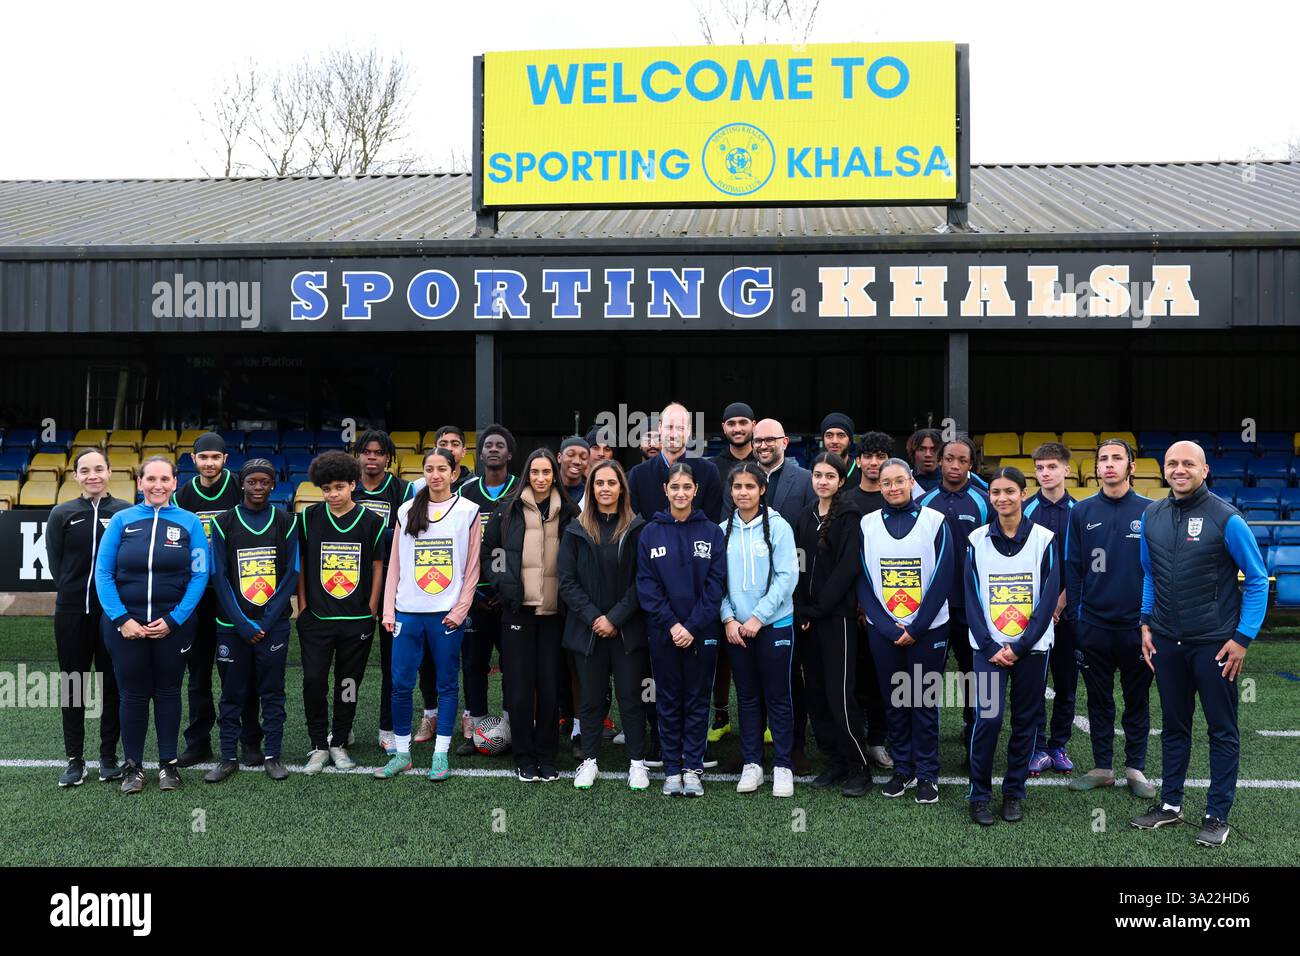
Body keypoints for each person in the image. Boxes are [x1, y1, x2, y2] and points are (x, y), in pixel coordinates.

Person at [1130, 441, 1268, 847]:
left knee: (1222, 730)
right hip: (1167, 643)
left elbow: (1257, 580)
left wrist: (1242, 639)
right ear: (1164, 471)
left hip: (1214, 645)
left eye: (1188, 463)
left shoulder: (1227, 518)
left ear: (1204, 470)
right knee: (1174, 726)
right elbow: (1150, 575)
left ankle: (1216, 814)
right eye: (1172, 463)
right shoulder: (1151, 515)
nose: (1179, 469)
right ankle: (1170, 805)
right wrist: (1144, 622)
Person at [94, 457, 209, 794]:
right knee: (132, 694)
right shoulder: (121, 520)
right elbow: (103, 573)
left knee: (169, 691)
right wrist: (122, 619)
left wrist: (174, 619)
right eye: (151, 479)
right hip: (125, 626)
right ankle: (133, 767)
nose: (157, 485)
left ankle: (168, 765)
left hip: (174, 626)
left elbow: (200, 575)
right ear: (140, 481)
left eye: (165, 479)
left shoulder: (190, 522)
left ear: (175, 482)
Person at [377, 448, 482, 781]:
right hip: (408, 612)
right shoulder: (407, 509)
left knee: (447, 685)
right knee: (400, 685)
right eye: (429, 469)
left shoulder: (468, 510)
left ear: (454, 473)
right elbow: (395, 563)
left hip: (445, 615)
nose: (435, 475)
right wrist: (388, 608)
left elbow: (473, 567)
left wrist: (461, 608)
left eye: (442, 469)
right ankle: (403, 754)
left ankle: (440, 754)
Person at [964, 466, 1059, 826]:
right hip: (987, 649)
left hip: (1031, 650)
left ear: (1023, 493)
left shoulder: (1045, 539)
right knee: (987, 719)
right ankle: (979, 795)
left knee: (1025, 722)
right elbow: (971, 597)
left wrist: (1020, 646)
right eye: (995, 493)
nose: (1002, 498)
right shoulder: (975, 540)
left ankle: (1014, 792)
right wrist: (989, 645)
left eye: (1009, 491)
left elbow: (1048, 599)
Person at [1064, 439, 1156, 798]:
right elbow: (1073, 567)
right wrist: (1076, 619)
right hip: (1094, 626)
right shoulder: (1082, 511)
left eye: (1118, 458)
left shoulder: (1152, 510)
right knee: (1099, 700)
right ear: (1097, 468)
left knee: (1137, 700)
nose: (1110, 464)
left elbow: (1158, 570)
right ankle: (1102, 767)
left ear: (1131, 466)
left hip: (1138, 627)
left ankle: (1136, 769)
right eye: (1103, 459)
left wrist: (1152, 621)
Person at [858, 458, 953, 806]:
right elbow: (863, 581)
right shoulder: (867, 524)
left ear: (912, 481)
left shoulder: (935, 521)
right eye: (887, 483)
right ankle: (904, 768)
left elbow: (944, 576)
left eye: (900, 480)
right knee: (895, 701)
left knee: (923, 701)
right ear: (879, 486)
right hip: (884, 630)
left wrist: (916, 626)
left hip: (928, 629)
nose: (894, 487)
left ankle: (927, 773)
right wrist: (885, 625)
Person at [483, 448, 579, 782]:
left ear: (555, 475)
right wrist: (503, 586)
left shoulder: (570, 512)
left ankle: (547, 755)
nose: (541, 479)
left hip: (555, 613)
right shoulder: (507, 509)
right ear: (527, 474)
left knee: (550, 688)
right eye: (535, 472)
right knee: (520, 689)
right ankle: (524, 756)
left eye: (547, 472)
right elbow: (491, 553)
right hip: (518, 612)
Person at [636, 462, 727, 797]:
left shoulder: (712, 532)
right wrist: (673, 624)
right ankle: (672, 769)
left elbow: (715, 587)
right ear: (665, 490)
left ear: (695, 491)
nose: (680, 493)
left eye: (686, 487)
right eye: (674, 487)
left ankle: (693, 768)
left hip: (701, 632)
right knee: (669, 700)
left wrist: (691, 626)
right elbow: (646, 587)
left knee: (697, 699)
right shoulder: (650, 532)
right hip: (664, 633)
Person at [205, 459, 299, 783]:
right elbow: (220, 575)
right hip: (233, 627)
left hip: (273, 626)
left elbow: (291, 575)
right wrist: (243, 623)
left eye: (264, 482)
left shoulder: (286, 521)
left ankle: (272, 755)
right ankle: (228, 756)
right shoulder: (223, 522)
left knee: (272, 692)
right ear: (242, 484)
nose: (258, 487)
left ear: (273, 485)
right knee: (232, 693)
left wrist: (267, 620)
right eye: (252, 482)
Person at [558, 460, 650, 790]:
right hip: (588, 631)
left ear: (621, 488)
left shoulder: (638, 528)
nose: (606, 488)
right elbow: (566, 582)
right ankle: (589, 760)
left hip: (627, 631)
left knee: (631, 698)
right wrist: (595, 618)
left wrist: (615, 618)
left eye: (612, 482)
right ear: (591, 489)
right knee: (591, 699)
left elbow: (644, 581)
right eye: (599, 483)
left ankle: (637, 764)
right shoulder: (575, 529)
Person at [175, 432, 261, 768]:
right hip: (197, 595)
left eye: (215, 457)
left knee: (239, 671)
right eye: (203, 457)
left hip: (237, 593)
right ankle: (198, 742)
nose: (209, 463)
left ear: (226, 460)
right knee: (197, 673)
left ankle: (250, 738)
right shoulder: (182, 495)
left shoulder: (241, 488)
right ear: (193, 460)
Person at [296, 451, 385, 774]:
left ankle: (339, 742)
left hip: (355, 620)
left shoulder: (371, 522)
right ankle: (319, 744)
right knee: (314, 680)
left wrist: (371, 609)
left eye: (338, 487)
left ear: (352, 484)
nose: (332, 494)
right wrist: (303, 606)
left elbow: (377, 566)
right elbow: (302, 565)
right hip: (317, 619)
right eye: (326, 489)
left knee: (348, 682)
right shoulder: (307, 519)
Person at [45, 448, 130, 786]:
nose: (92, 475)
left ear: (110, 472)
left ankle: (108, 757)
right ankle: (74, 759)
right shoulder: (61, 514)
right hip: (71, 614)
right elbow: (57, 563)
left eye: (99, 469)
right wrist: (72, 592)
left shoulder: (124, 512)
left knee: (112, 685)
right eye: (85, 470)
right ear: (75, 475)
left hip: (112, 616)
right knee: (73, 686)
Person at [355, 429, 439, 752]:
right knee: (352, 662)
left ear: (388, 457)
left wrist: (372, 532)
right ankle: (342, 728)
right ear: (359, 455)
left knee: (393, 662)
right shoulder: (349, 486)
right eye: (367, 451)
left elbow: (407, 533)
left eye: (378, 452)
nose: (372, 457)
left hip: (395, 585)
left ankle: (387, 727)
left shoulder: (402, 490)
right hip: (355, 586)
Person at [720, 463, 800, 797]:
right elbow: (716, 582)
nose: (743, 493)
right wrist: (728, 618)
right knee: (748, 698)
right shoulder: (722, 529)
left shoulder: (779, 528)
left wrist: (758, 618)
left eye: (749, 487)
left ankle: (783, 766)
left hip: (773, 625)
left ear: (762, 489)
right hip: (737, 629)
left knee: (778, 697)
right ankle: (752, 764)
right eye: (737, 487)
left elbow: (787, 576)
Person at [795, 452, 872, 797]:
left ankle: (858, 765)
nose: (822, 481)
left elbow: (848, 568)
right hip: (809, 618)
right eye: (817, 475)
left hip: (835, 618)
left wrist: (820, 608)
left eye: (829, 476)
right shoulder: (804, 516)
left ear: (841, 481)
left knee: (841, 693)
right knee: (817, 693)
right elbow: (798, 564)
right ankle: (835, 760)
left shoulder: (849, 514)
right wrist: (802, 608)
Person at [750, 418, 817, 774]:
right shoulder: (743, 478)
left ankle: (794, 747)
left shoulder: (805, 480)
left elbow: (808, 541)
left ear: (785, 442)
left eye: (769, 439)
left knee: (791, 678)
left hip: (790, 599)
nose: (762, 445)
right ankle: (754, 749)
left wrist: (801, 599)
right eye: (757, 440)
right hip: (749, 599)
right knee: (754, 678)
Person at [918, 436, 990, 757]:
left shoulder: (984, 501)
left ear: (971, 465)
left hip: (969, 606)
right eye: (949, 459)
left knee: (971, 672)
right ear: (941, 461)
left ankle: (972, 729)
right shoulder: (924, 501)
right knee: (925, 675)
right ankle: (922, 736)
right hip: (932, 606)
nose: (955, 466)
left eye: (962, 460)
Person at [455, 424, 517, 757]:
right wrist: (473, 592)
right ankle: (475, 729)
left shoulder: (520, 489)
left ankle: (510, 727)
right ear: (480, 454)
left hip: (510, 595)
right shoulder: (466, 492)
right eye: (488, 445)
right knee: (473, 663)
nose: (493, 449)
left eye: (500, 445)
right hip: (474, 596)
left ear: (509, 453)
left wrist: (508, 589)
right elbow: (457, 545)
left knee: (513, 663)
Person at [1023, 441, 1078, 777]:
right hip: (1032, 614)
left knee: (1066, 681)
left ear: (1066, 470)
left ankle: (1058, 744)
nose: (1045, 473)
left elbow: (1081, 565)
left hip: (1069, 614)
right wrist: (1044, 609)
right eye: (1040, 468)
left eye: (1052, 467)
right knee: (1033, 682)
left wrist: (1059, 604)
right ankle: (1037, 746)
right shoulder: (1026, 509)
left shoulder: (1082, 511)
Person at [841, 430, 894, 769]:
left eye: (881, 457)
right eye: (868, 456)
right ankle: (855, 742)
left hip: (890, 608)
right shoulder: (846, 500)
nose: (874, 463)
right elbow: (847, 560)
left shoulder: (896, 499)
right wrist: (859, 602)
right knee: (854, 677)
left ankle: (878, 741)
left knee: (882, 678)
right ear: (858, 460)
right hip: (851, 608)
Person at [628, 402, 723, 523]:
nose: (673, 434)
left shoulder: (708, 471)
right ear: (660, 428)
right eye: (669, 427)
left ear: (689, 431)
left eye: (680, 428)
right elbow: (635, 526)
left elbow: (712, 524)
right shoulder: (638, 475)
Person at [708, 401, 756, 487]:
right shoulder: (711, 467)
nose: (737, 429)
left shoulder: (764, 464)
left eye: (743, 423)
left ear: (753, 426)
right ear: (724, 428)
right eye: (731, 424)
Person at [433, 425, 475, 490]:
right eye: (443, 444)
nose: (449, 449)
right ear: (434, 451)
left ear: (463, 452)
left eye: (455, 444)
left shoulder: (475, 485)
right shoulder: (420, 486)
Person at [820, 413, 858, 483]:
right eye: (829, 435)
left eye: (841, 435)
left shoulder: (862, 474)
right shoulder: (813, 472)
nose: (834, 441)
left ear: (850, 440)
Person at [558, 436, 591, 505]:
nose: (577, 461)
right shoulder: (545, 488)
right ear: (559, 457)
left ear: (588, 462)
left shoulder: (591, 494)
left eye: (583, 457)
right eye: (570, 455)